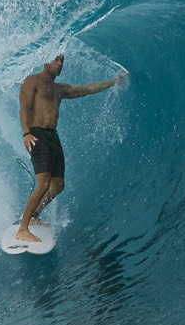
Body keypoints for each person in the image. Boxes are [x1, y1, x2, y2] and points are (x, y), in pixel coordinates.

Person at [14, 54, 126, 244]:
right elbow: (23, 108)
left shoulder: (60, 89)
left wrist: (113, 82)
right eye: (56, 60)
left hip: (52, 136)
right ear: (45, 61)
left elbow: (87, 89)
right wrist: (26, 133)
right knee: (43, 183)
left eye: (62, 61)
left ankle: (34, 215)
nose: (59, 64)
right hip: (36, 134)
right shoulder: (31, 81)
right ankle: (22, 229)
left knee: (58, 186)